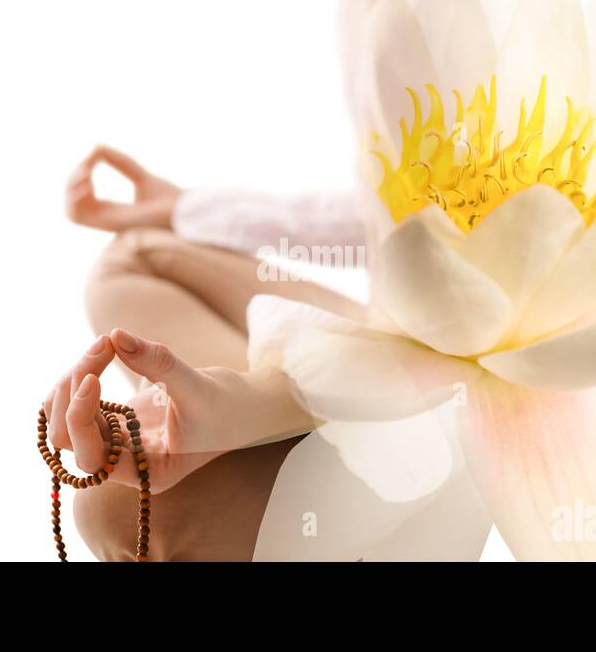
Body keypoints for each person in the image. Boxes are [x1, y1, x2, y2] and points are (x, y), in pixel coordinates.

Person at [41, 145, 372, 561]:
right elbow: (382, 220)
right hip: (410, 331)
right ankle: (235, 416)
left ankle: (259, 421)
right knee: (134, 255)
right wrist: (182, 208)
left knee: (121, 505)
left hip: (434, 391)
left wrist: (254, 400)